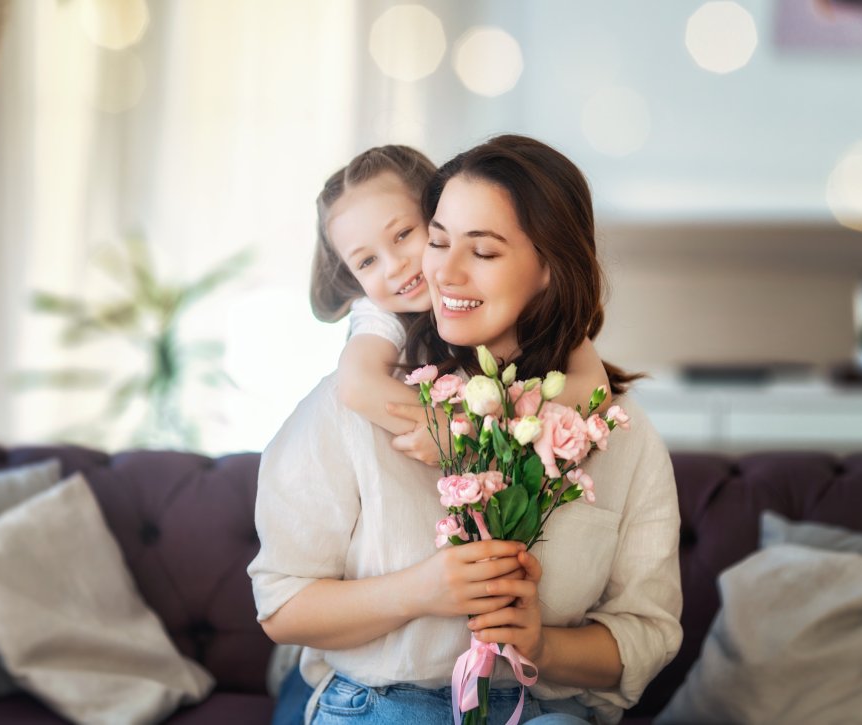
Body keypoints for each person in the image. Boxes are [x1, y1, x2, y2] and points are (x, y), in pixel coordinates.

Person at [250, 135, 682, 725]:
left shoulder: (618, 432)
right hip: (387, 703)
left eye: (482, 251)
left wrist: (543, 645)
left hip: (543, 707)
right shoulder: (358, 400)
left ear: (549, 268)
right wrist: (421, 590)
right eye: (439, 241)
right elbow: (282, 607)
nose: (440, 273)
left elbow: (647, 633)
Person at [311, 145, 612, 467]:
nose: (394, 266)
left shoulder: (526, 318)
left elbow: (595, 387)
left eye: (403, 235)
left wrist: (480, 426)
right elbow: (357, 385)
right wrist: (451, 428)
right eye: (367, 261)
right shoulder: (379, 315)